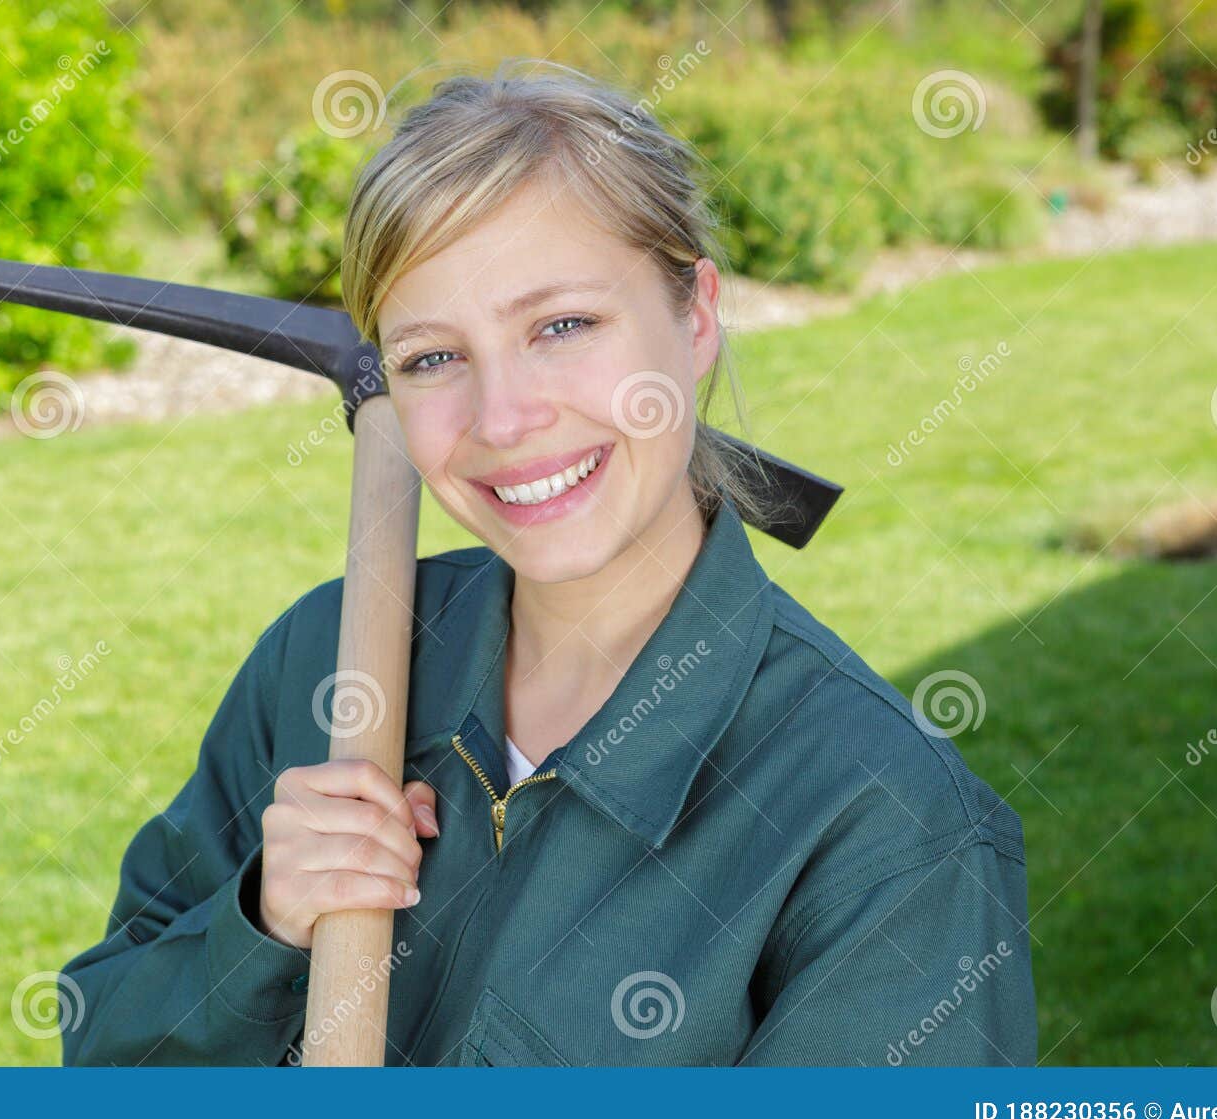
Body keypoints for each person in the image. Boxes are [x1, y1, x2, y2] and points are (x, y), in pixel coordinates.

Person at [60, 60, 1037, 1066]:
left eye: (560, 325)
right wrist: (259, 928)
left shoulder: (878, 822)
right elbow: (101, 1057)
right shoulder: (322, 659)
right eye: (433, 357)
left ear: (694, 316)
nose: (504, 418)